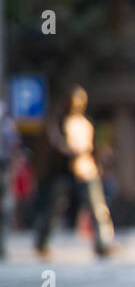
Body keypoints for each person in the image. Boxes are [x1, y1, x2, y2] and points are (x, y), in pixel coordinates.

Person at [33, 87, 114, 258]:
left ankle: (103, 242)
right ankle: (42, 242)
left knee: (97, 207)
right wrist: (70, 151)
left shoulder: (85, 122)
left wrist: (98, 158)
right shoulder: (59, 122)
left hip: (85, 171)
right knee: (54, 208)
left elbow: (93, 147)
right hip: (64, 171)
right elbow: (56, 143)